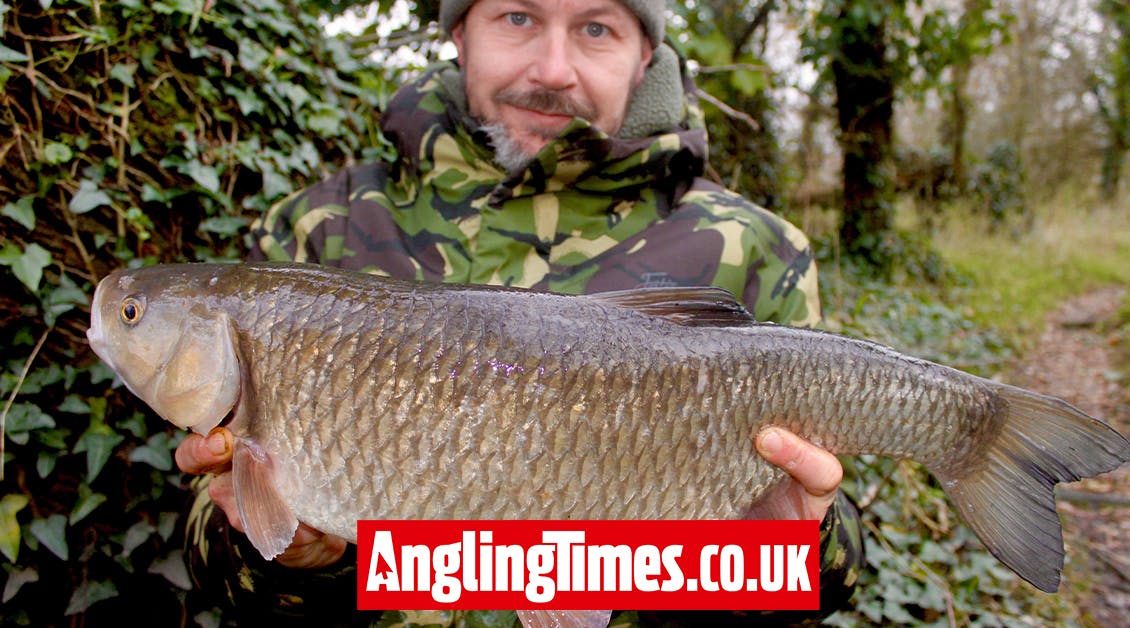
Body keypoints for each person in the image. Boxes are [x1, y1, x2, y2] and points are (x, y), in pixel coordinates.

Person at [175, 0, 865, 623]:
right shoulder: (318, 233)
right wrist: (308, 554)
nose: (553, 69)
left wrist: (782, 551)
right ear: (458, 32)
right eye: (517, 18)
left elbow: (825, 581)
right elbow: (218, 569)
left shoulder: (759, 251)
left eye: (596, 29)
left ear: (645, 54)